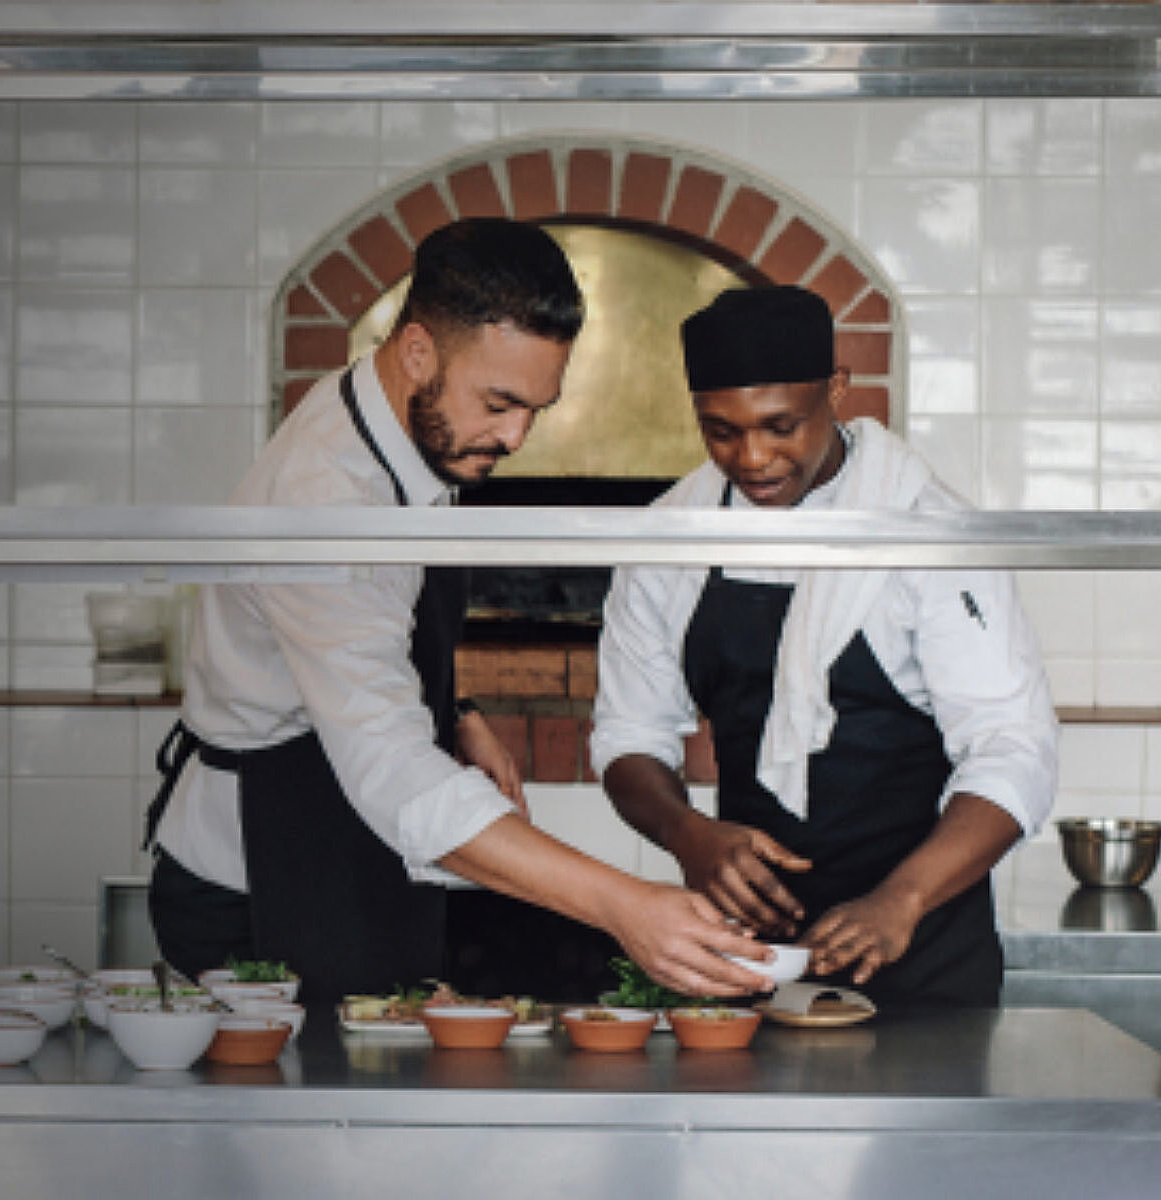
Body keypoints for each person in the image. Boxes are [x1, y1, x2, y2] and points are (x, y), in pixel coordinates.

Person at [144, 218, 767, 1004]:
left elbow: (369, 626)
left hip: (337, 834)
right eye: (500, 403)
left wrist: (458, 709)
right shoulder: (327, 501)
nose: (516, 437)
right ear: (416, 350)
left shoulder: (402, 415)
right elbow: (394, 771)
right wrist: (625, 905)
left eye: (536, 408)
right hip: (258, 884)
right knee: (332, 1082)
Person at [590, 285, 1059, 1007]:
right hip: (750, 953)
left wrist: (902, 898)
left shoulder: (927, 532)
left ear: (837, 390)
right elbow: (629, 734)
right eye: (721, 431)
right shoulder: (670, 536)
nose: (753, 457)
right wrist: (687, 835)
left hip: (923, 947)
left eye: (781, 426)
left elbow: (1013, 746)